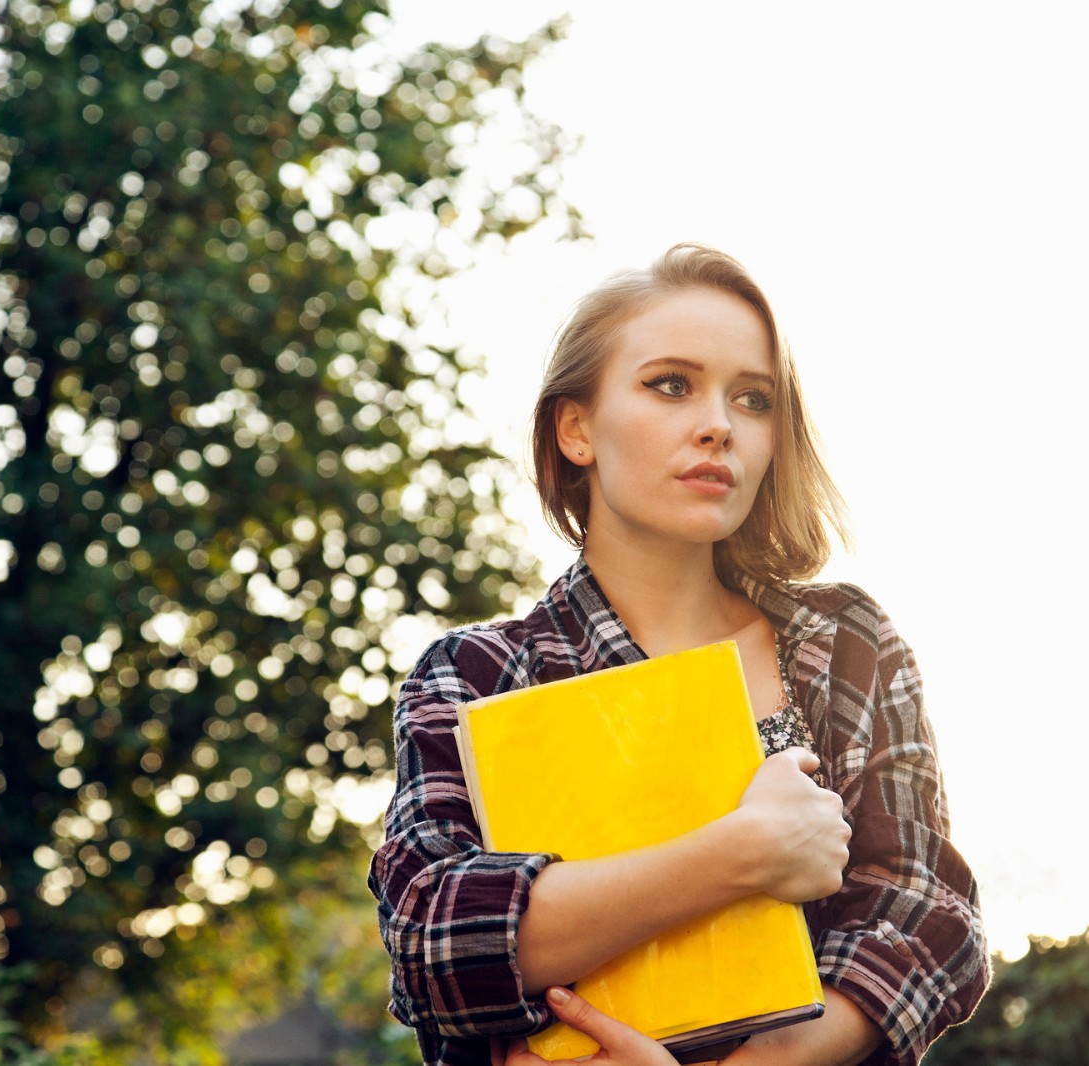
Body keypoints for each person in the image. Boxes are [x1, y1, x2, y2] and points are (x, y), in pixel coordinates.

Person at [369, 244, 989, 1066]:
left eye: (754, 399)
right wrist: (741, 852)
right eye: (671, 385)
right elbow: (432, 946)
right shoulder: (475, 676)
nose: (718, 425)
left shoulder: (843, 643)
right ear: (576, 428)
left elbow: (929, 913)